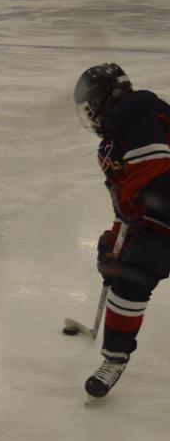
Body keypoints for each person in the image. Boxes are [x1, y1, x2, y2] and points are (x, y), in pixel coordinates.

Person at [73, 63, 170, 399]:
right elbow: (125, 207)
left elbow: (153, 167)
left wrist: (131, 207)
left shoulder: (138, 106)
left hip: (162, 212)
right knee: (129, 280)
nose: (91, 117)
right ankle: (113, 360)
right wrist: (115, 243)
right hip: (160, 222)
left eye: (91, 107)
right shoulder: (110, 147)